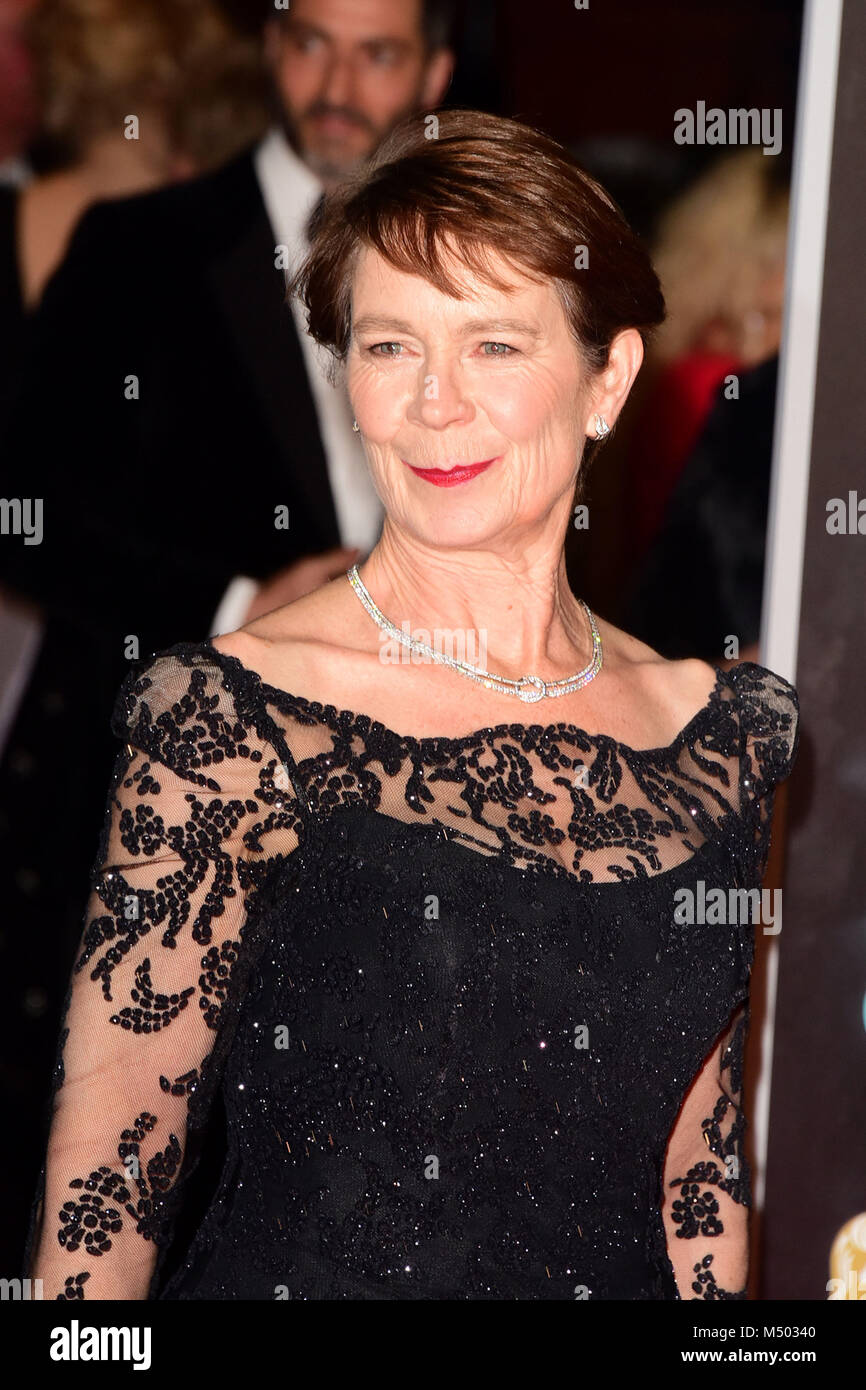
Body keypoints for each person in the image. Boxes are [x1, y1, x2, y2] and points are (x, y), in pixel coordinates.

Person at [25, 109, 799, 1302]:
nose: (434, 402)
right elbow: (95, 1229)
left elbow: (694, 1174)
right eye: (389, 347)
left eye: (491, 346)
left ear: (608, 379)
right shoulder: (233, 720)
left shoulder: (714, 735)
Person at [0, 0, 456, 1279]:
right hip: (165, 810)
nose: (334, 82)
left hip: (391, 833)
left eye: (374, 54)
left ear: (433, 70)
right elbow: (23, 512)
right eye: (310, 41)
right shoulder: (143, 247)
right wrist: (236, 607)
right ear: (270, 48)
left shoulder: (469, 265)